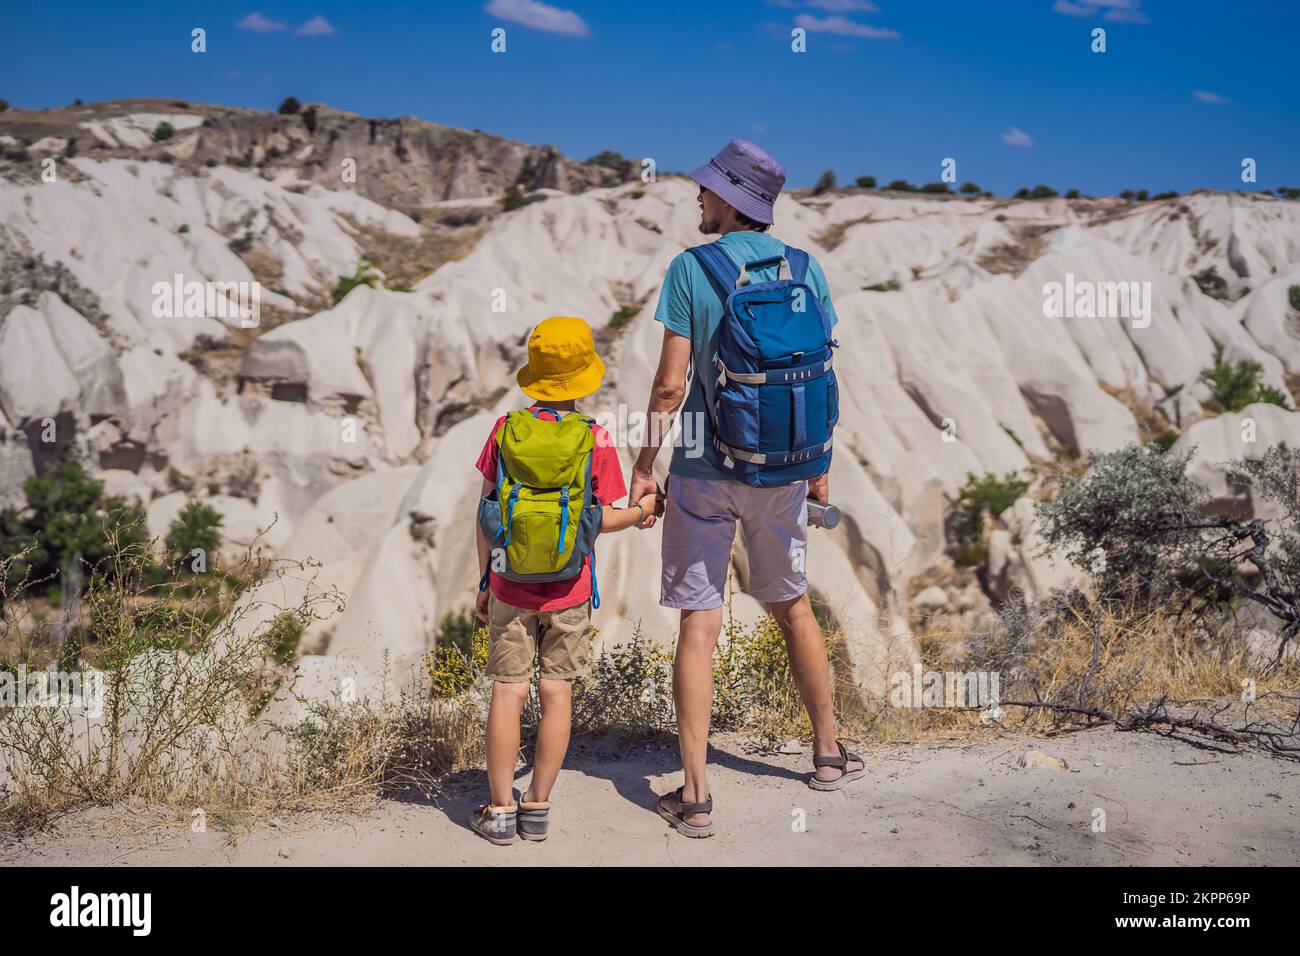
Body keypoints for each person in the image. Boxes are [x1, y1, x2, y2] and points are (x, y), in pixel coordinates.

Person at [629, 139, 865, 839]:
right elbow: (818, 372)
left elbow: (671, 385)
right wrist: (818, 459)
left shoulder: (690, 269)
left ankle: (696, 798)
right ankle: (827, 755)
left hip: (705, 469)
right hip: (785, 469)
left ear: (732, 199)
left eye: (706, 190)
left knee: (700, 625)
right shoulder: (805, 268)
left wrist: (646, 464)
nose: (697, 198)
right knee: (792, 608)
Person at [469, 316, 659, 845]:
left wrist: (487, 578)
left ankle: (501, 810)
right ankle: (537, 808)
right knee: (556, 691)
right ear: (584, 379)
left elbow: (485, 509)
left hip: (510, 588)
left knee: (508, 692)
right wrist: (645, 509)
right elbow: (606, 515)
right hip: (570, 591)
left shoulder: (505, 430)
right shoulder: (593, 437)